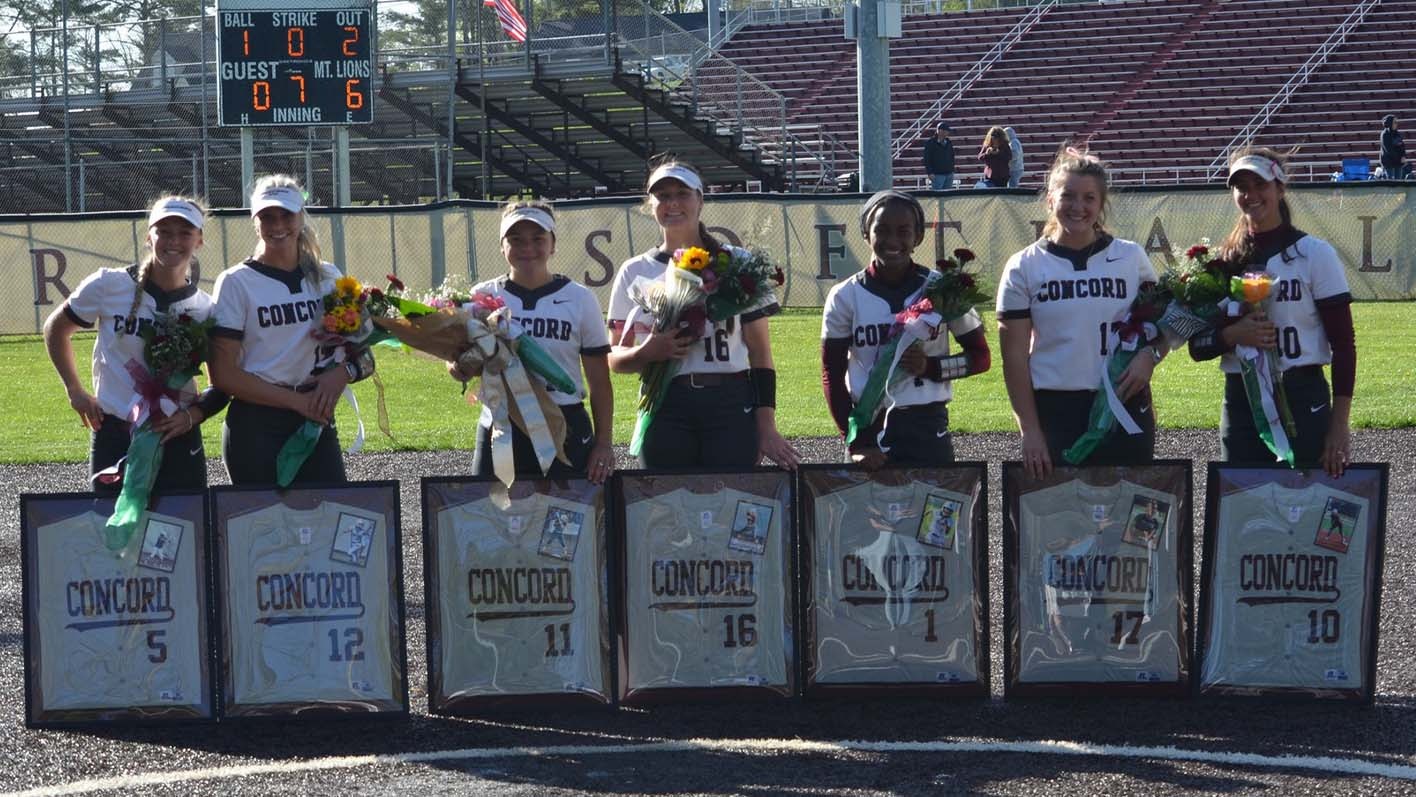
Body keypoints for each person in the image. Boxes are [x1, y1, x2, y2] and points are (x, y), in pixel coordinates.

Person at [607, 157, 801, 470]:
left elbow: (761, 355)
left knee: (732, 504)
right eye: (663, 196)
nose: (672, 203)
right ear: (649, 205)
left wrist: (766, 427)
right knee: (666, 506)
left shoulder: (735, 262)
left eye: (682, 194)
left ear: (700, 199)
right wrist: (648, 352)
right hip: (666, 404)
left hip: (731, 403)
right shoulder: (636, 271)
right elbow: (614, 357)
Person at [997, 147, 1165, 479]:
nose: (1078, 206)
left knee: (1127, 516)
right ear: (1050, 199)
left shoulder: (1131, 258)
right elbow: (1014, 359)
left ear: (1101, 204)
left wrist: (1151, 355)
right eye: (1068, 196)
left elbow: (1162, 326)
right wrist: (1029, 430)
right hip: (1056, 410)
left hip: (1124, 402)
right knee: (1060, 520)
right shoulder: (1024, 265)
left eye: (1089, 198)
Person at [1187, 147, 1355, 477]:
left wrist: (1340, 425)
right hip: (1241, 401)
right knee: (1243, 510)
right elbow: (1197, 347)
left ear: (1280, 187)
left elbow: (1344, 344)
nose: (1250, 195)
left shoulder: (1314, 254)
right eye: (1241, 186)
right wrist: (1233, 335)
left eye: (1260, 184)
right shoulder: (1222, 263)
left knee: (1305, 503)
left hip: (1303, 396)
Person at [44, 196, 228, 492]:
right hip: (115, 431)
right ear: (148, 236)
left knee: (184, 532)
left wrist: (191, 417)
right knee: (112, 529)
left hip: (177, 436)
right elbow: (56, 328)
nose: (174, 241)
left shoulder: (206, 308)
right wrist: (75, 391)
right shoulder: (108, 285)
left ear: (200, 240)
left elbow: (221, 384)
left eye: (185, 233)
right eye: (164, 231)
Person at [209, 175, 375, 485]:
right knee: (262, 528)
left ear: (301, 216)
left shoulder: (328, 276)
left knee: (328, 519)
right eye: (267, 216)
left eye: (286, 214)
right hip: (257, 425)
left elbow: (365, 355)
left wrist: (343, 373)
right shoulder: (235, 282)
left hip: (316, 419)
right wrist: (297, 402)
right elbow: (223, 375)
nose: (277, 224)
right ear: (254, 221)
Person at [450, 200, 616, 484]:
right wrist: (459, 367)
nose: (527, 247)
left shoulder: (580, 298)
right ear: (502, 246)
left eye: (538, 239)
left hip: (563, 420)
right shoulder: (482, 296)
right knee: (494, 515)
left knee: (568, 518)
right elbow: (456, 361)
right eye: (516, 240)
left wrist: (604, 442)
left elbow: (599, 380)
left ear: (553, 244)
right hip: (502, 423)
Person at [821, 190, 991, 467]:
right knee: (867, 510)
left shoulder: (943, 289)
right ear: (866, 233)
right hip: (868, 426)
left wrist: (931, 367)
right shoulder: (844, 296)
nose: (893, 240)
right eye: (882, 230)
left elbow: (981, 359)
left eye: (904, 231)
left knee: (934, 510)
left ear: (918, 237)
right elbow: (832, 373)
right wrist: (855, 442)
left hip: (928, 425)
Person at [923, 122, 956, 191]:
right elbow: (926, 159)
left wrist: (952, 169)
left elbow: (952, 156)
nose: (948, 133)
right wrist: (930, 172)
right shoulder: (930, 143)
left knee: (948, 196)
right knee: (938, 196)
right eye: (947, 131)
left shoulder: (948, 142)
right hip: (937, 175)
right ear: (940, 131)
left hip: (949, 173)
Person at [1380, 114, 1408, 179]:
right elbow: (1389, 150)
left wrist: (1403, 156)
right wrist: (1399, 158)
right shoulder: (1385, 134)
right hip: (1389, 162)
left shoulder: (1397, 133)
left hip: (1398, 163)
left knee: (1398, 182)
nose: (1396, 124)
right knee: (1391, 181)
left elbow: (1402, 145)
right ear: (1390, 123)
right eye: (1395, 122)